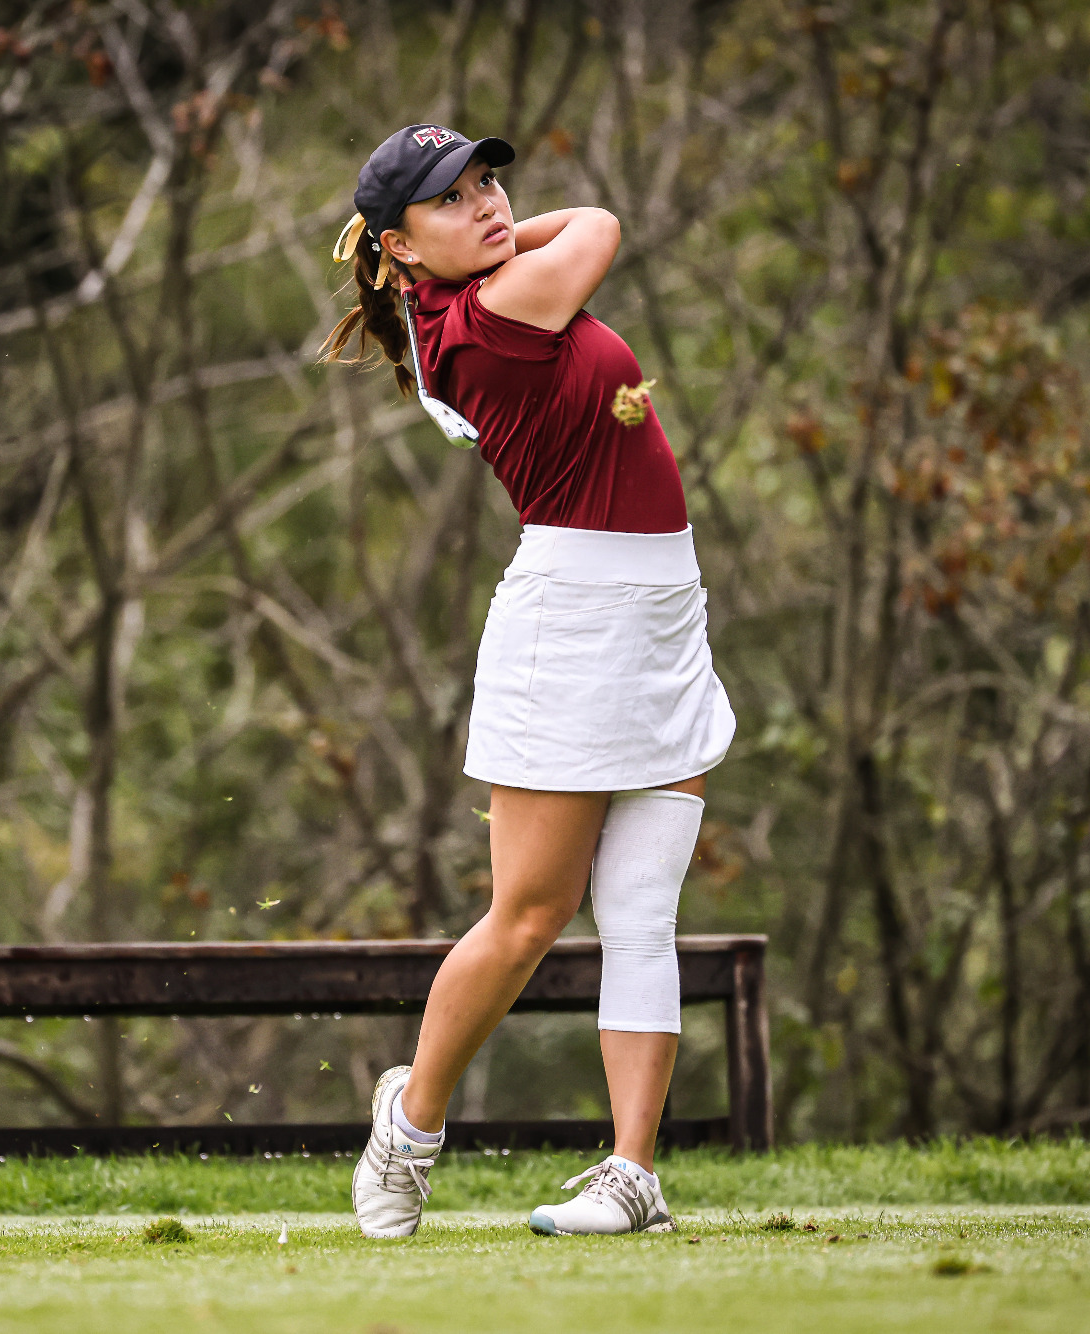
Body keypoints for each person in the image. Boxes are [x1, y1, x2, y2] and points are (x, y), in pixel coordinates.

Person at [316, 124, 735, 1239]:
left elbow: (555, 232)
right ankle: (407, 1125)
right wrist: (497, 252)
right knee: (530, 913)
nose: (491, 204)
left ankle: (630, 1173)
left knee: (641, 910)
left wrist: (471, 241)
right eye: (452, 201)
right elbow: (597, 224)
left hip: (660, 611)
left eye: (489, 181)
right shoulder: (493, 316)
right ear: (399, 251)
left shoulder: (474, 291)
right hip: (574, 625)